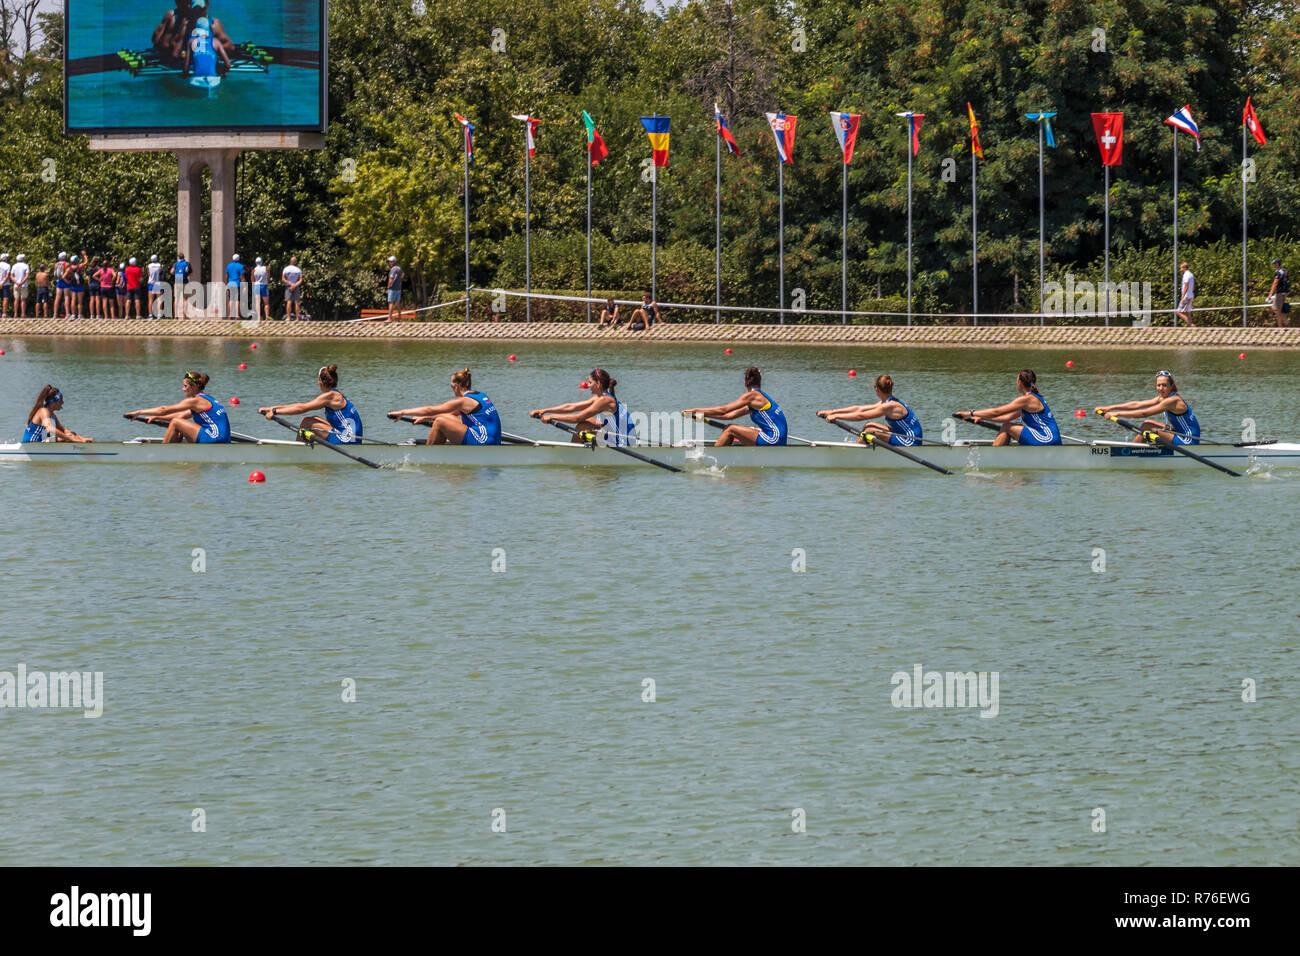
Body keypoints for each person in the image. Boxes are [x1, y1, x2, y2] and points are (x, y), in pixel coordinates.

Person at [389, 368, 502, 445]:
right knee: (446, 419)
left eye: (451, 386)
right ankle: (438, 447)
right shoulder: (479, 395)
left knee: (440, 422)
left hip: (484, 441)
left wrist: (402, 412)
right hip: (491, 439)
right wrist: (426, 418)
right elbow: (451, 414)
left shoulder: (463, 401)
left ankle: (428, 455)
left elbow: (430, 409)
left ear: (456, 386)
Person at [257, 365, 363, 444]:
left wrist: (275, 412)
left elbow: (301, 408)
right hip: (350, 437)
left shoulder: (330, 396)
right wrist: (271, 408)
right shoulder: (335, 395)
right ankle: (309, 447)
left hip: (347, 440)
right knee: (312, 418)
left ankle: (299, 453)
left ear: (320, 383)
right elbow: (300, 405)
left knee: (307, 422)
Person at [683, 366, 788, 446]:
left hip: (773, 439)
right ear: (760, 382)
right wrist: (701, 417)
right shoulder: (759, 398)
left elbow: (723, 410)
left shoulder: (752, 396)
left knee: (730, 429)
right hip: (778, 440)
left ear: (744, 383)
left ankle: (712, 457)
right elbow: (728, 416)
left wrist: (695, 410)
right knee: (731, 428)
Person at [530, 368, 637, 446]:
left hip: (625, 440)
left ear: (598, 384)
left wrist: (552, 416)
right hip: (617, 433)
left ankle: (574, 454)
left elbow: (578, 418)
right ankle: (585, 446)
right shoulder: (599, 398)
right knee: (587, 421)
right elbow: (571, 407)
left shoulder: (605, 400)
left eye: (590, 382)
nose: (588, 385)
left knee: (582, 425)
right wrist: (544, 410)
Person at [955, 369, 1061, 446]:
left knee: (1007, 427)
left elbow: (997, 412)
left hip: (1046, 438)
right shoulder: (1032, 399)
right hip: (1051, 439)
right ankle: (1000, 455)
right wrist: (982, 418)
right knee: (1007, 424)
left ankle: (992, 457)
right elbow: (1006, 417)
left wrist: (970, 413)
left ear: (1019, 382)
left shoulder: (1027, 399)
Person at [1096, 370, 1200, 445]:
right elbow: (1138, 404)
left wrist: (1117, 413)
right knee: (1147, 423)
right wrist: (1110, 407)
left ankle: (1133, 452)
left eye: (1164, 385)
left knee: (1148, 426)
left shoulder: (1172, 400)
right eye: (1158, 385)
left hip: (1188, 440)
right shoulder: (1162, 398)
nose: (1161, 388)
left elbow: (1144, 413)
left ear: (1171, 386)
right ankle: (1139, 448)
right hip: (1178, 432)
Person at [818, 373, 923, 446]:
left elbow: (860, 416)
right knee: (869, 425)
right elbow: (859, 409)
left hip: (911, 442)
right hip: (903, 435)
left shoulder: (889, 406)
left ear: (877, 389)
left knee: (870, 431)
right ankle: (861, 447)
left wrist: (837, 416)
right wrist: (832, 412)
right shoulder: (888, 402)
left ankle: (855, 454)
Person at [125, 371, 230, 444]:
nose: (183, 389)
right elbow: (181, 415)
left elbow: (163, 410)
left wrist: (139, 412)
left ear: (193, 386)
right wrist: (155, 417)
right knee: (179, 423)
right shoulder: (207, 399)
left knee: (176, 422)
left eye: (185, 386)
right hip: (224, 440)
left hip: (214, 438)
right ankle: (175, 451)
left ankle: (163, 453)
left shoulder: (195, 401)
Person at [23, 386, 93, 443]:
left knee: (69, 434)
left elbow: (64, 430)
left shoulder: (52, 414)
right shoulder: (43, 411)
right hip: (31, 444)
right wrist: (72, 439)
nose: (63, 402)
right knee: (67, 437)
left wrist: (82, 438)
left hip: (41, 443)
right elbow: (50, 429)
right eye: (61, 400)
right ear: (56, 400)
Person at [182, 15, 232, 80]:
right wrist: (222, 73)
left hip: (197, 78)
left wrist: (185, 76)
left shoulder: (191, 42)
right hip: (213, 79)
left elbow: (186, 68)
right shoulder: (216, 42)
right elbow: (228, 65)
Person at [1267, 257, 1290, 328]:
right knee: (1278, 309)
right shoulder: (1284, 270)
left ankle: (1286, 322)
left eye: (1274, 263)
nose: (1273, 265)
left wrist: (1270, 294)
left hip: (1280, 293)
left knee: (1275, 309)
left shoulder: (1278, 272)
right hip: (1285, 292)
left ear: (1277, 264)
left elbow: (1275, 283)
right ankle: (1280, 326)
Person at [282, 256, 303, 320]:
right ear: (296, 262)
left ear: (290, 261)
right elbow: (300, 280)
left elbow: (283, 278)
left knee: (289, 301)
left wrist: (290, 284)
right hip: (296, 286)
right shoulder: (298, 270)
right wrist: (295, 285)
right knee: (296, 302)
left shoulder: (286, 269)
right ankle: (297, 318)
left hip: (289, 287)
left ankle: (288, 317)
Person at [225, 253, 245, 318]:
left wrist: (226, 284)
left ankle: (230, 315)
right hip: (237, 284)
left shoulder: (229, 266)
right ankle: (237, 315)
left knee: (230, 300)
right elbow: (242, 277)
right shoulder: (240, 266)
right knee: (237, 300)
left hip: (230, 284)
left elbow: (226, 276)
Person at [1175, 261, 1194, 327]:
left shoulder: (1186, 275)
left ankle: (1190, 324)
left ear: (1184, 268)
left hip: (1186, 296)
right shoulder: (1191, 274)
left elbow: (1186, 285)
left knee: (1178, 312)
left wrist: (1183, 296)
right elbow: (1193, 286)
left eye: (1181, 268)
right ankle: (1190, 327)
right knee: (1188, 312)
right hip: (1191, 296)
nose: (1180, 270)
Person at [172, 253, 192, 318]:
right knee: (185, 299)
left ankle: (175, 315)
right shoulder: (187, 263)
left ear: (178, 257)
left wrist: (176, 274)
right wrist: (186, 275)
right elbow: (191, 273)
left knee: (176, 299)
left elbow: (171, 271)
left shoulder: (176, 264)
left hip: (177, 281)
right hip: (185, 281)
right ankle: (184, 315)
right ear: (184, 257)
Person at [67, 255, 86, 319]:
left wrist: (68, 282)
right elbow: (86, 262)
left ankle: (73, 314)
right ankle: (80, 314)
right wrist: (84, 255)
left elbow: (63, 276)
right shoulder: (79, 266)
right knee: (80, 301)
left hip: (73, 285)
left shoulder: (69, 268)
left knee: (73, 300)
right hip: (80, 285)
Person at [385, 256, 403, 320]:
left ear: (393, 262)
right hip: (398, 288)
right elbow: (402, 275)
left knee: (391, 303)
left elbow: (391, 279)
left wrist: (388, 286)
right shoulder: (399, 268)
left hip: (392, 288)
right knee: (397, 304)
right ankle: (399, 318)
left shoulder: (393, 269)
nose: (389, 263)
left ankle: (389, 318)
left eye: (390, 262)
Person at [52, 251, 68, 319]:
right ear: (64, 257)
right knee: (66, 297)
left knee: (57, 298)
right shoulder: (66, 264)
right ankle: (67, 314)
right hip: (65, 281)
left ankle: (55, 314)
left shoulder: (56, 264)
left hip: (59, 282)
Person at [0, 254, 12, 318]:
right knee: (5, 298)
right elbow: (7, 276)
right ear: (6, 259)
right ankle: (4, 313)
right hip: (5, 284)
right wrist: (2, 283)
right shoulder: (8, 265)